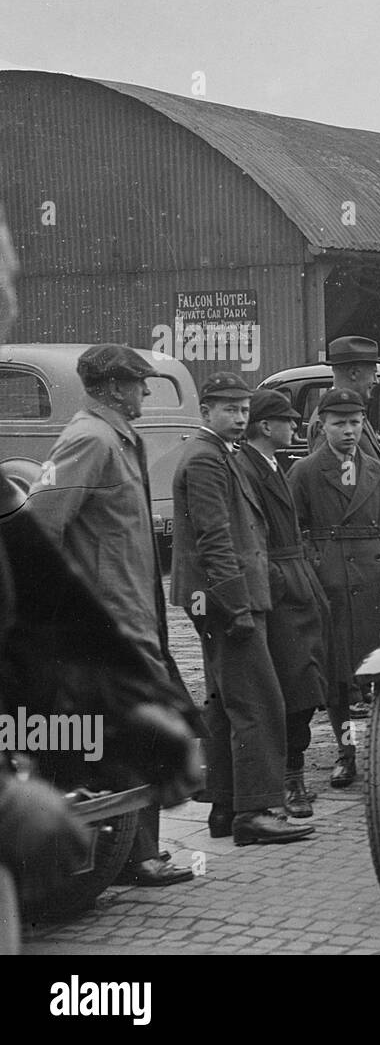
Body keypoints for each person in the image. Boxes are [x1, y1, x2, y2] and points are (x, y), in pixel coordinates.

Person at [24, 344, 196, 885]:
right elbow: (38, 527)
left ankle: (130, 853)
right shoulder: (89, 439)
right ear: (116, 388)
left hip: (134, 609)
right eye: (140, 384)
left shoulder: (118, 438)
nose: (146, 392)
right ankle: (138, 856)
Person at [173, 372, 314, 845]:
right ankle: (255, 813)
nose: (238, 418)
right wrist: (236, 607)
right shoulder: (207, 459)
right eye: (228, 409)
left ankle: (225, 805)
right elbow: (215, 539)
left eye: (243, 409)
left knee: (225, 703)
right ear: (205, 411)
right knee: (259, 702)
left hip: (226, 596)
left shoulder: (217, 454)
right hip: (228, 599)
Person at [288, 388, 380, 788]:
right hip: (333, 584)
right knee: (340, 680)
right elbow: (292, 531)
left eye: (356, 423)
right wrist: (317, 564)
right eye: (340, 424)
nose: (349, 431)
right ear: (321, 426)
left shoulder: (375, 469)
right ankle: (346, 752)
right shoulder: (304, 472)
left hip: (375, 583)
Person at [237, 389, 331, 818]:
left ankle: (292, 774)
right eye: (287, 421)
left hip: (296, 581)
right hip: (279, 587)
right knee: (293, 686)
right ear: (264, 426)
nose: (295, 427)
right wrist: (278, 577)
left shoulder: (274, 465)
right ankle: (288, 780)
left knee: (307, 683)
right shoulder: (248, 469)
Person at [306, 336, 380, 465]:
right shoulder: (325, 421)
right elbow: (329, 476)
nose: (376, 381)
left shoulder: (349, 411)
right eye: (373, 373)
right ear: (353, 373)